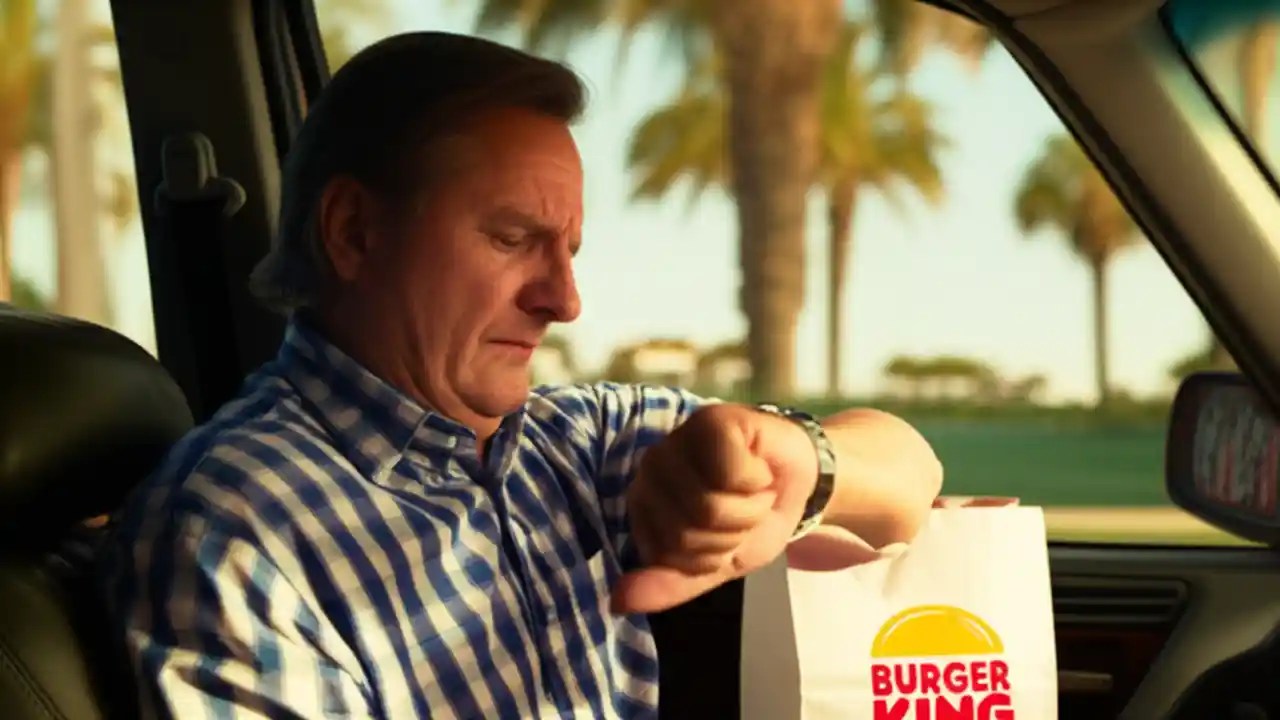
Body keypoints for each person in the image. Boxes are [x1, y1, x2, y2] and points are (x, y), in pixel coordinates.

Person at [99, 31, 943, 719]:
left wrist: (803, 460)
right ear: (354, 232)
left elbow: (911, 472)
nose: (564, 301)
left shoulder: (573, 443)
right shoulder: (233, 533)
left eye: (568, 251)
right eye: (511, 240)